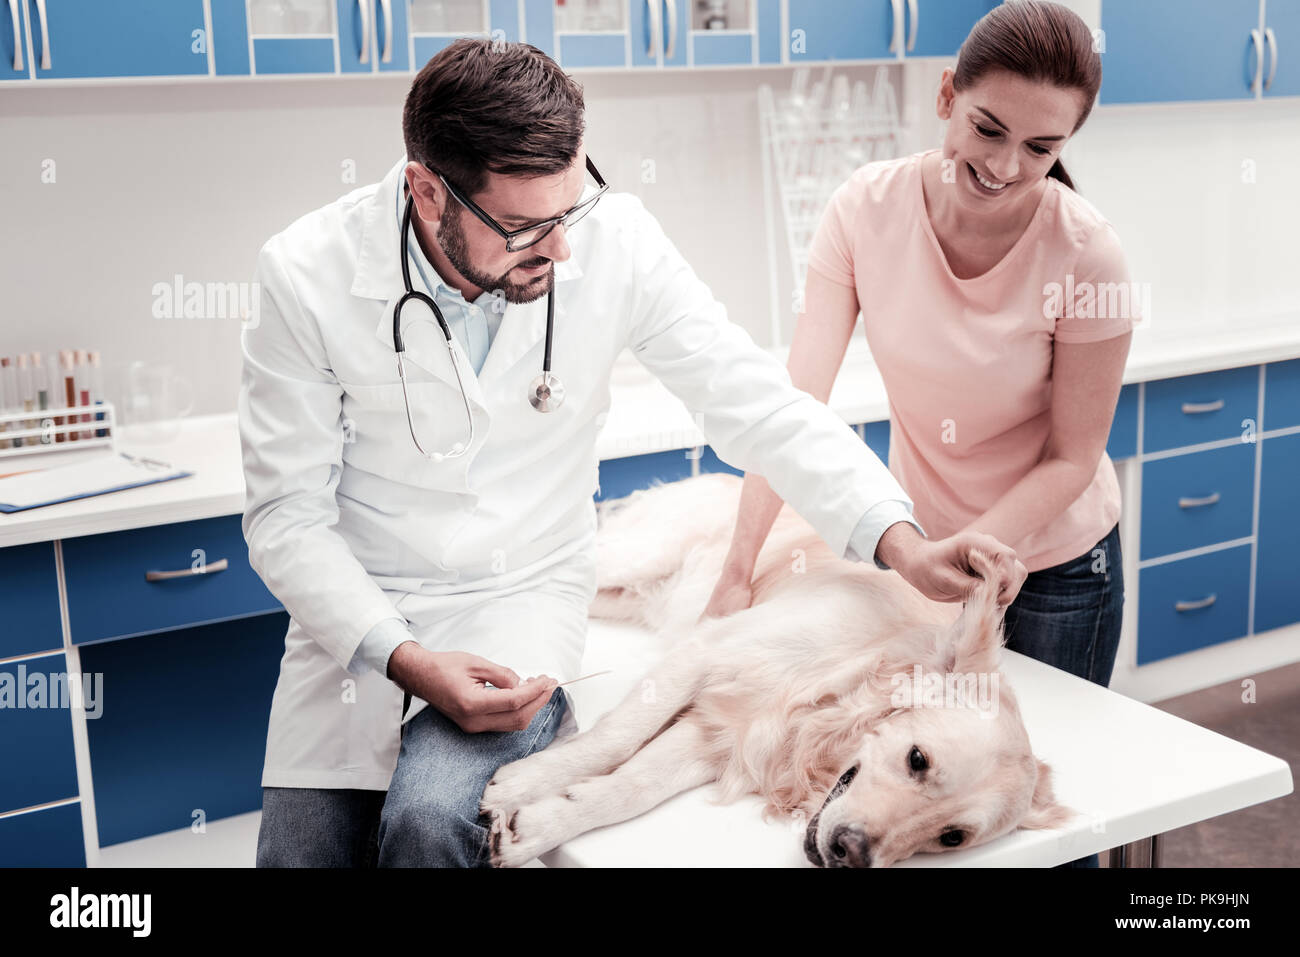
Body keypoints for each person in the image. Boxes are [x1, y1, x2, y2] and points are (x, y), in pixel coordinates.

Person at [240, 37, 1027, 868]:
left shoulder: (616, 241)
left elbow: (756, 402)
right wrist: (404, 657)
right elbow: (287, 519)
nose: (562, 249)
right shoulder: (305, 274)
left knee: (431, 825)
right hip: (359, 617)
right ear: (426, 190)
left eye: (571, 209)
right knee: (300, 859)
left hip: (518, 596)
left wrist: (900, 543)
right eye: (523, 226)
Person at [703, 1, 1135, 869]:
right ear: (947, 95)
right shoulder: (866, 210)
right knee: (919, 808)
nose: (1008, 166)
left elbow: (1072, 457)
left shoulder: (1092, 258)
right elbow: (796, 412)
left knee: (1025, 821)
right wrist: (735, 571)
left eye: (1043, 149)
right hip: (928, 568)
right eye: (988, 128)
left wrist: (963, 563)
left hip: (1055, 575)